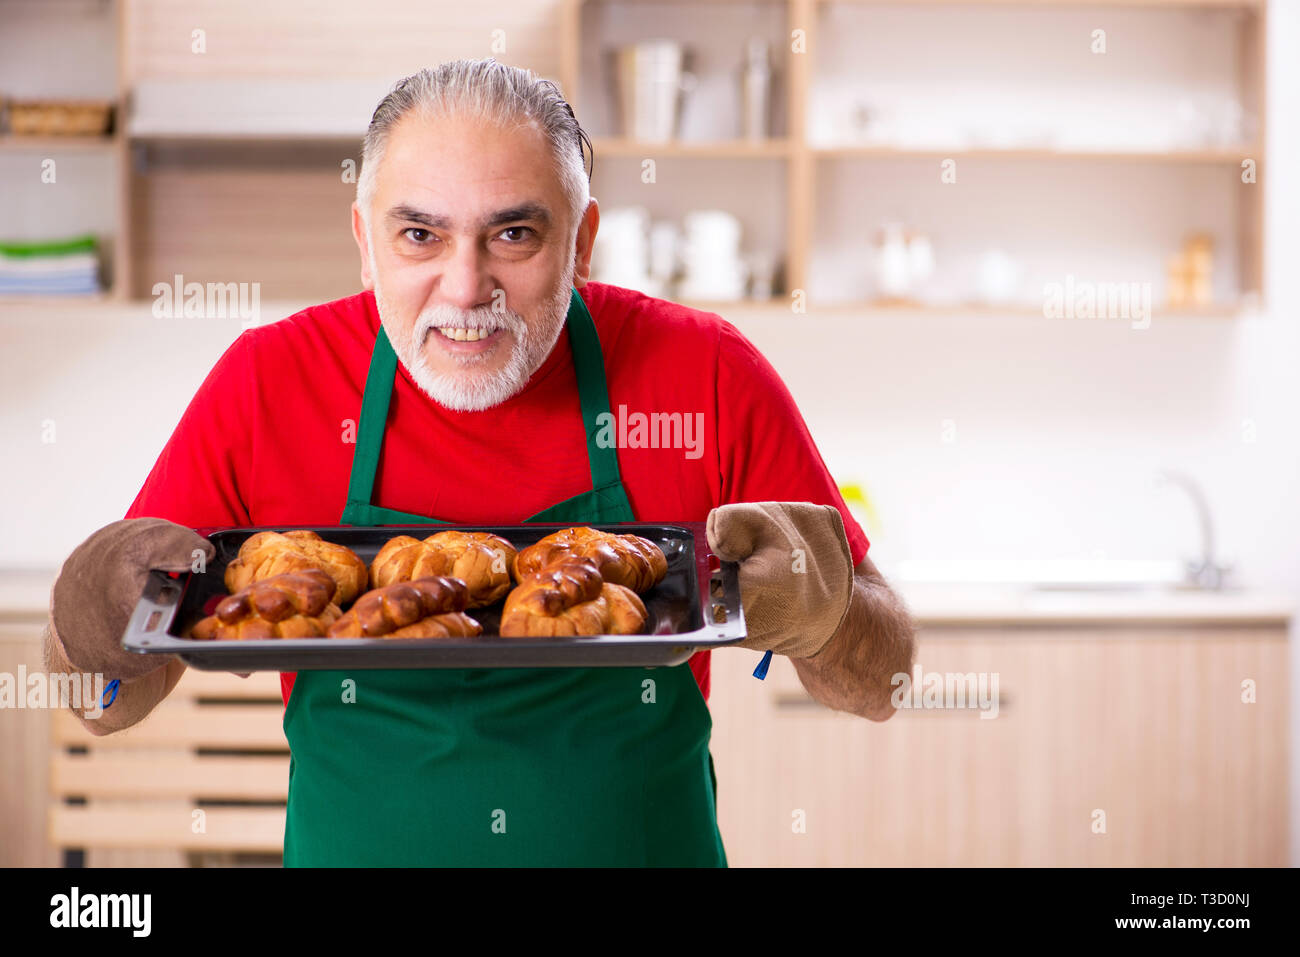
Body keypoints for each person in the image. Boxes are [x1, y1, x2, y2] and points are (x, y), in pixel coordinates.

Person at [43, 58, 915, 867]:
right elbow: (100, 702)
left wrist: (823, 605)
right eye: (420, 233)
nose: (465, 288)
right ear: (364, 238)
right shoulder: (270, 385)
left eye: (514, 234)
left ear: (581, 241)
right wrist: (90, 621)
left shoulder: (706, 373)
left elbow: (885, 682)